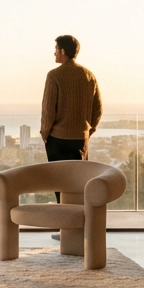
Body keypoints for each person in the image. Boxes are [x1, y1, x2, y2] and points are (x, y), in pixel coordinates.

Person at [41, 34, 102, 202]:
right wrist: (88, 130)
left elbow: (48, 109)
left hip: (57, 139)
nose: (54, 53)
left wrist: (45, 133)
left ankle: (65, 219)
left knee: (60, 181)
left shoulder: (54, 75)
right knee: (79, 182)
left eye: (56, 49)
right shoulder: (88, 75)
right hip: (80, 139)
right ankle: (79, 221)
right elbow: (98, 109)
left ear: (63, 51)